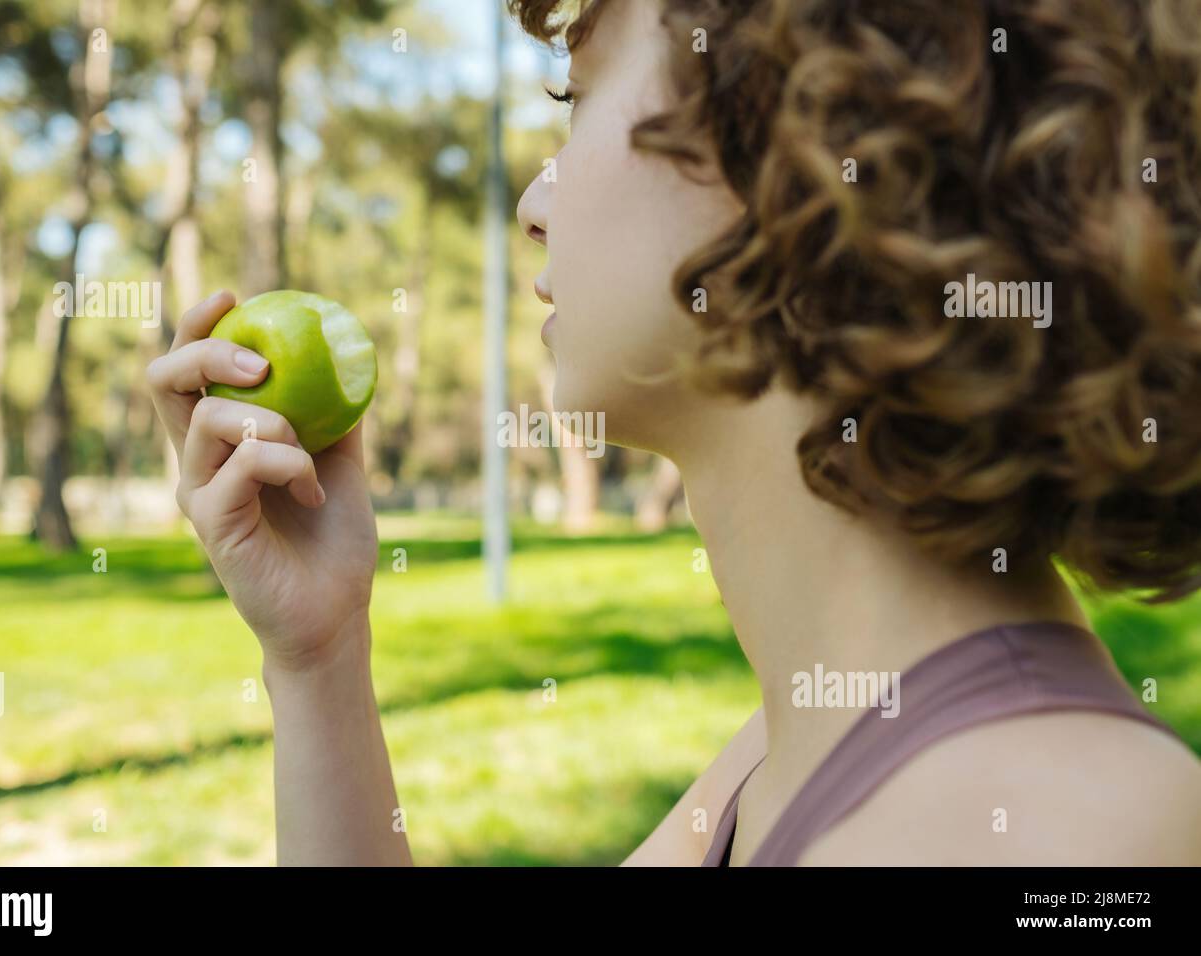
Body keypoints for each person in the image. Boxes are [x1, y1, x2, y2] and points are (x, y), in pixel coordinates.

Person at [148, 0, 1201, 865]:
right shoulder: (796, 753)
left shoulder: (1076, 832)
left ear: (811, 131)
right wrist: (319, 656)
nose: (532, 201)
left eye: (580, 88)